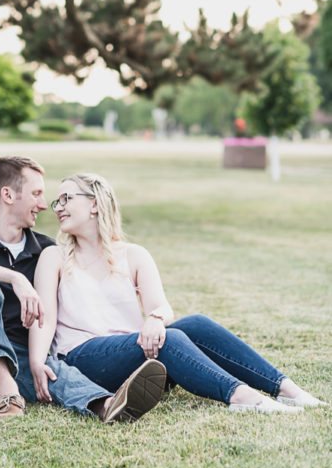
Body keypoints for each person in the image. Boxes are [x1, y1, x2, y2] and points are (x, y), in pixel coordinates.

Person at [29, 172, 325, 414]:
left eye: (66, 198)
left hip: (136, 356)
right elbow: (46, 320)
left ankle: (287, 390)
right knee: (170, 339)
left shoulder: (133, 255)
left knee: (194, 324)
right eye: (57, 201)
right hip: (85, 358)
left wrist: (155, 319)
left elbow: (160, 306)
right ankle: (243, 397)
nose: (57, 207)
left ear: (94, 204)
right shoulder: (54, 257)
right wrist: (37, 363)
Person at [0, 156, 166, 422]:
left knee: (49, 368)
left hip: (20, 363)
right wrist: (15, 278)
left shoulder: (46, 252)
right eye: (36, 194)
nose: (45, 206)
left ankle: (107, 405)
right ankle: (6, 390)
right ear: (8, 195)